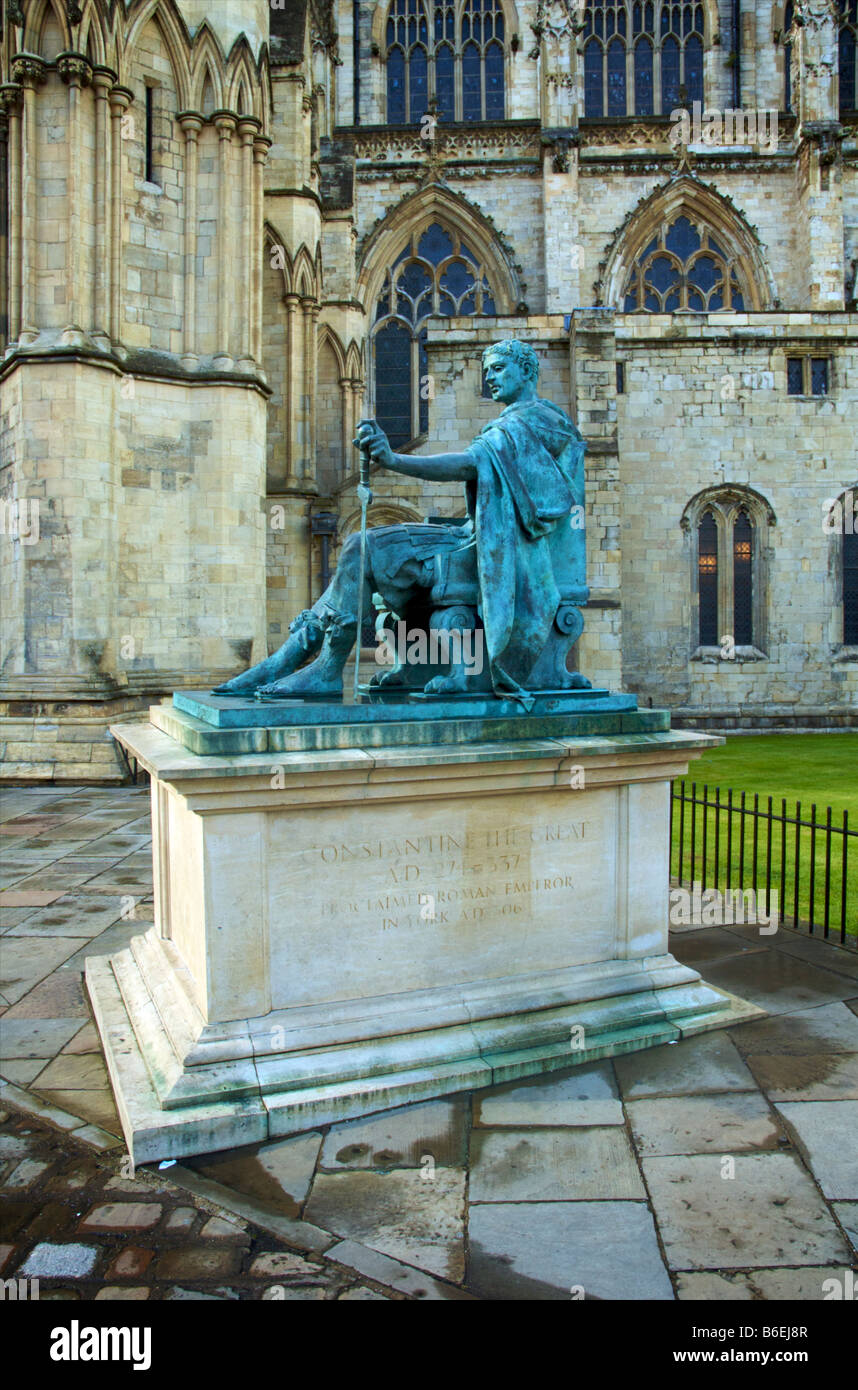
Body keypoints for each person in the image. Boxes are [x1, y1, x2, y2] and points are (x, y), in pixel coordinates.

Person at [212, 339, 586, 699]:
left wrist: (394, 461)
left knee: (362, 544)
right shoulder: (512, 424)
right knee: (363, 544)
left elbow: (470, 464)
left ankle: (319, 665)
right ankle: (299, 656)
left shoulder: (539, 422)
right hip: (480, 539)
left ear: (526, 371)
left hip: (509, 551)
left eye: (499, 369)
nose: (490, 378)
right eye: (487, 370)